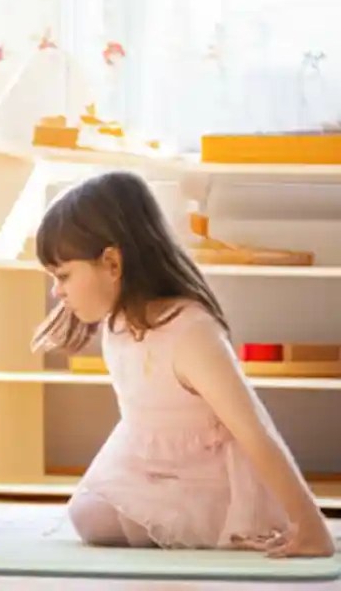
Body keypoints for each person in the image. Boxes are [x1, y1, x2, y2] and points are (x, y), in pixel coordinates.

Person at [33, 170, 334, 557]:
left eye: (63, 275)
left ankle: (238, 528)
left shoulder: (190, 332)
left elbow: (254, 428)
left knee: (98, 519)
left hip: (207, 478)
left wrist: (309, 524)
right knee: (89, 514)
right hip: (153, 463)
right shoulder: (117, 325)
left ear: (112, 263)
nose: (57, 291)